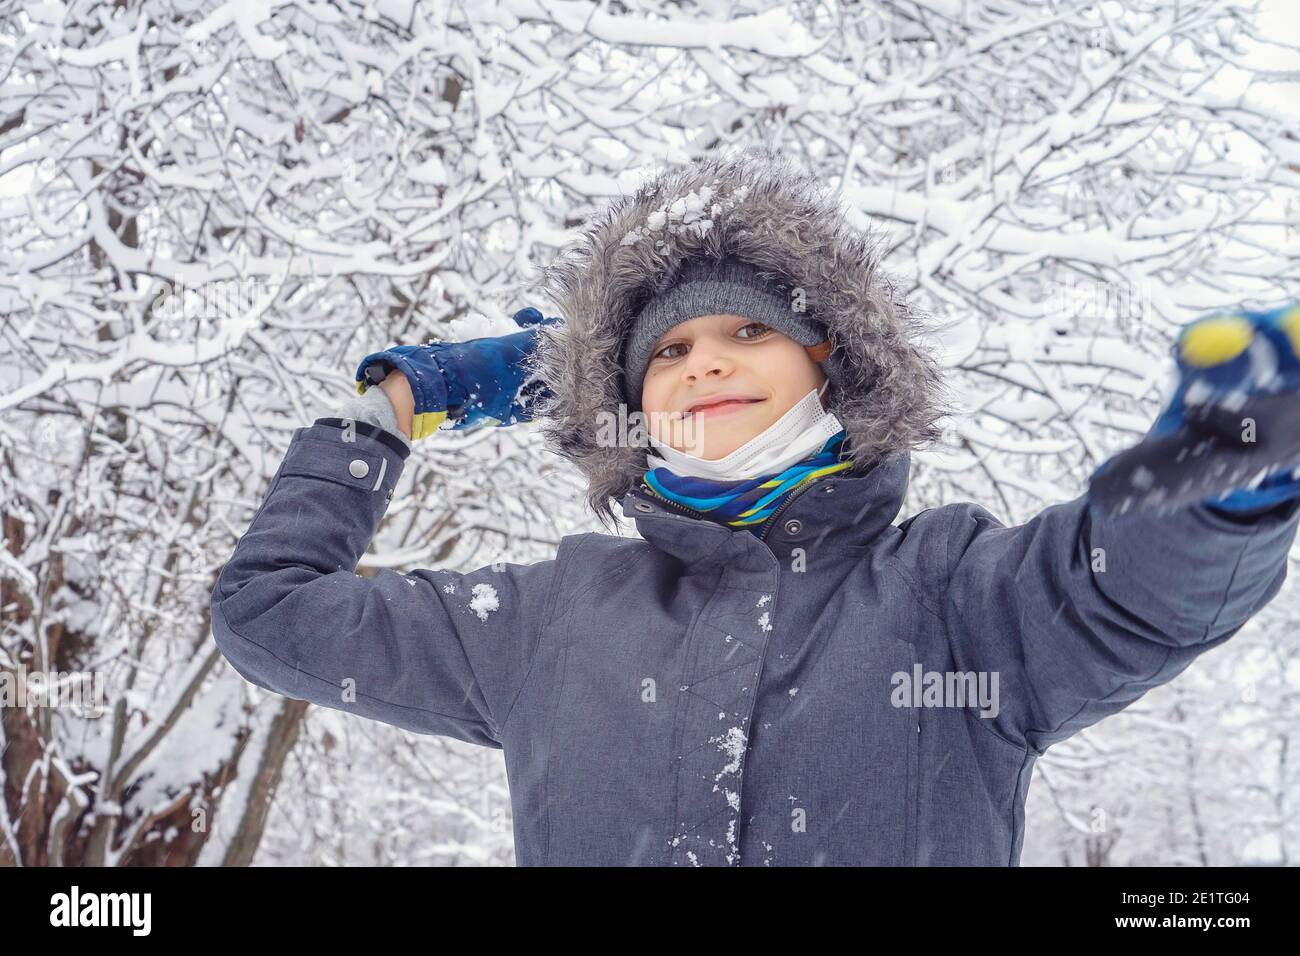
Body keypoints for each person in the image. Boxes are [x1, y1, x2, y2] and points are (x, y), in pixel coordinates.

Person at [210, 147, 1300, 866]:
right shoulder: (550, 621)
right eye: (667, 351)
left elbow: (1122, 594)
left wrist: (1225, 482)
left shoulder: (950, 594)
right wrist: (390, 410)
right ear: (622, 402)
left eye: (748, 333)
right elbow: (268, 614)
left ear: (835, 367)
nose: (703, 365)